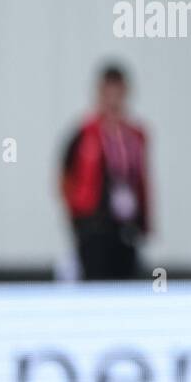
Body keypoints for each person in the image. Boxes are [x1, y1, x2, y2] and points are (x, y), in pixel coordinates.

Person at [60, 64, 151, 280]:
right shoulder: (84, 133)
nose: (113, 99)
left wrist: (144, 220)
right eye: (108, 92)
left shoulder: (136, 135)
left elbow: (141, 179)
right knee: (97, 282)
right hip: (94, 226)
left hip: (126, 226)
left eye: (118, 92)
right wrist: (76, 216)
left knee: (126, 281)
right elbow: (65, 175)